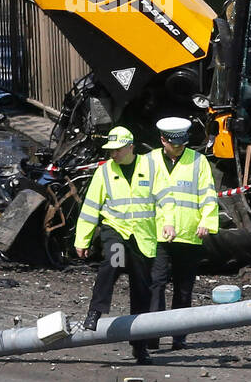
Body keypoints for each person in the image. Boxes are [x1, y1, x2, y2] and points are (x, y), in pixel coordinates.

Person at [75, 126, 158, 364]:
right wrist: (82, 240)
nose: (113, 154)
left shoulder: (150, 167)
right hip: (116, 230)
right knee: (113, 260)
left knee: (141, 292)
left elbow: (164, 201)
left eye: (117, 150)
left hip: (142, 237)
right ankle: (95, 311)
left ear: (131, 147)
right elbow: (90, 209)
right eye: (110, 150)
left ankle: (139, 346)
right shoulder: (104, 172)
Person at [148, 116, 218, 350]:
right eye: (174, 143)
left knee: (184, 288)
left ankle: (179, 337)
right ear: (162, 140)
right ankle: (152, 336)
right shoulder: (148, 162)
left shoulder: (198, 161)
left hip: (189, 234)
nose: (179, 147)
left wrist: (207, 221)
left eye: (182, 143)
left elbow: (208, 194)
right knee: (156, 285)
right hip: (157, 234)